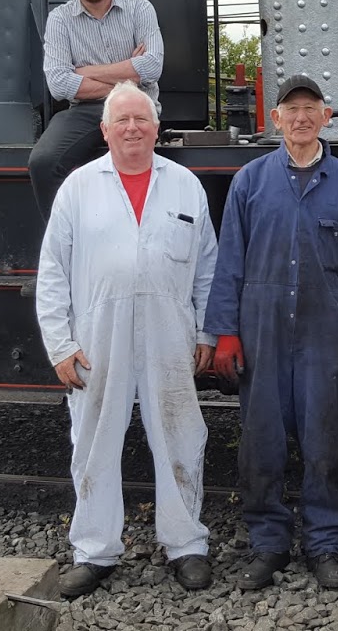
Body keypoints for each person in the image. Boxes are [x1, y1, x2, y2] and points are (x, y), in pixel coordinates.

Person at [204, 74, 338, 591]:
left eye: (311, 109)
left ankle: (326, 543)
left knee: (326, 442)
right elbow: (230, 263)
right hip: (261, 330)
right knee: (260, 444)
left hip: (325, 331)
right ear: (277, 120)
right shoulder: (250, 181)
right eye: (293, 110)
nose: (302, 118)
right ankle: (268, 543)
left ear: (325, 117)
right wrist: (225, 332)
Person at [36, 81, 217, 598]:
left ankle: (187, 546)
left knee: (181, 437)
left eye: (142, 119)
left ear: (157, 128)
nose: (133, 128)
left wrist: (206, 329)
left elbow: (208, 268)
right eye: (123, 121)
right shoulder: (78, 187)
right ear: (105, 130)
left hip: (169, 335)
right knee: (93, 443)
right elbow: (52, 272)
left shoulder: (185, 185)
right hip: (97, 338)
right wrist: (60, 344)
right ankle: (95, 551)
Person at [29, 0, 165, 221]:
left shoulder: (140, 8)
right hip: (86, 110)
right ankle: (67, 242)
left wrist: (85, 72)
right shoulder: (60, 20)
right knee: (43, 162)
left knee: (136, 162)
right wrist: (129, 72)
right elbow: (58, 84)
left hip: (138, 105)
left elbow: (152, 67)